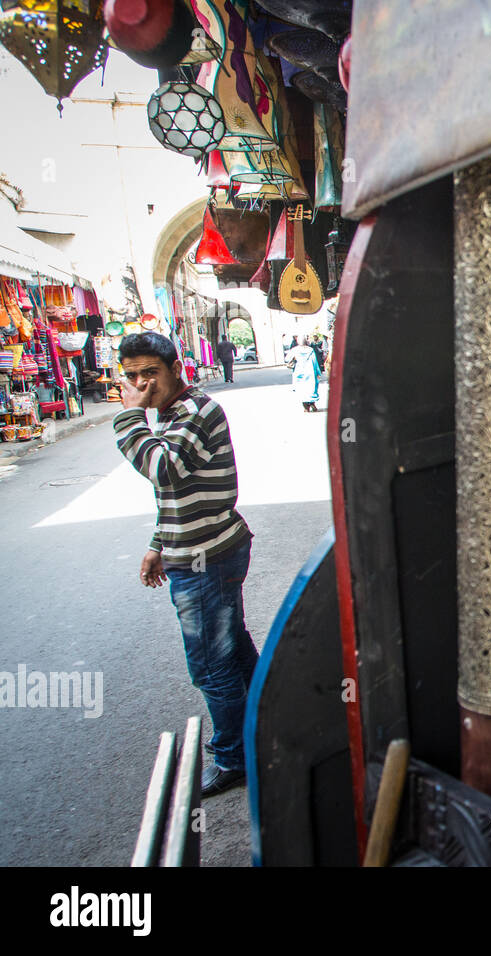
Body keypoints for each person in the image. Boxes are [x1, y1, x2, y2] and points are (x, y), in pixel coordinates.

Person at [112, 332, 257, 797]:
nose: (141, 383)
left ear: (176, 369)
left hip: (206, 559)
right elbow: (175, 495)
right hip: (199, 549)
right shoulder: (172, 414)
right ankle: (266, 718)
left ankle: (234, 757)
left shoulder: (194, 412)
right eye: (132, 375)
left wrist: (127, 416)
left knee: (211, 665)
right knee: (231, 648)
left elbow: (164, 469)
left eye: (150, 373)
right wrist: (158, 542)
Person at [286, 338, 321, 412]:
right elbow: (315, 362)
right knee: (311, 388)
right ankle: (312, 403)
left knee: (301, 389)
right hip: (310, 371)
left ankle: (306, 407)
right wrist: (318, 372)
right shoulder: (310, 350)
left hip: (299, 371)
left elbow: (287, 359)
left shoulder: (295, 350)